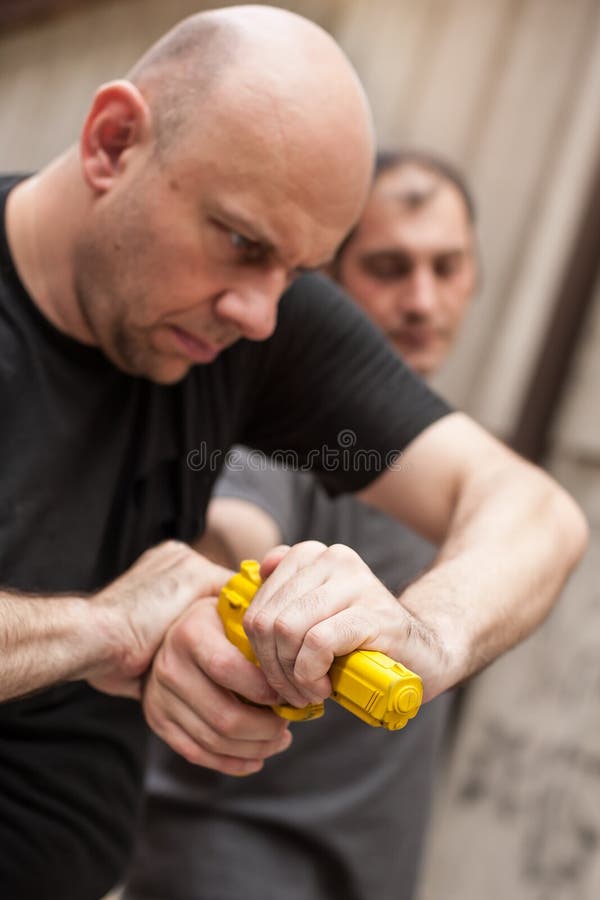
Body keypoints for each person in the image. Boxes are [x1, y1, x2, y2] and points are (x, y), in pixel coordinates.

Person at [0, 7, 587, 900]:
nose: (262, 315)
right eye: (241, 241)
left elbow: (532, 510)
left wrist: (421, 634)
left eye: (300, 270)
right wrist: (103, 629)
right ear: (113, 143)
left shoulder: (247, 323)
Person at [124, 150, 480, 900]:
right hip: (227, 863)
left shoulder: (445, 461)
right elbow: (233, 530)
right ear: (331, 284)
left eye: (446, 267)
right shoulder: (287, 436)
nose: (423, 299)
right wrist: (210, 569)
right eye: (389, 267)